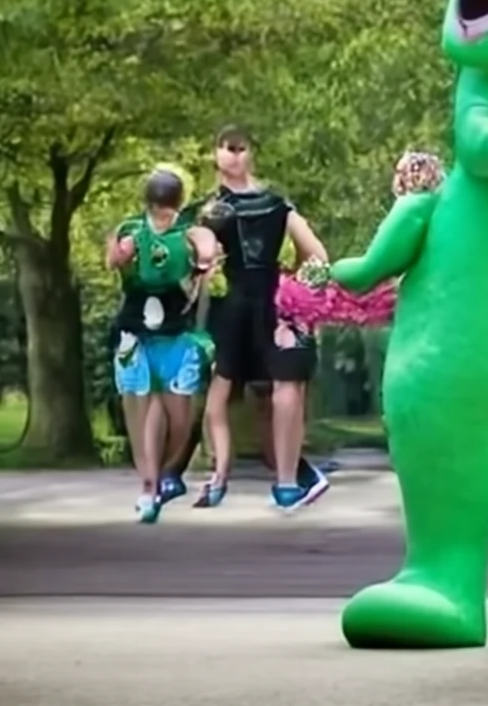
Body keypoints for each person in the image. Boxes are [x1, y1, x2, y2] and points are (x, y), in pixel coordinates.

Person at [195, 125, 331, 511]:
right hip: (275, 299)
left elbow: (200, 261)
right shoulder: (276, 203)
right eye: (229, 148)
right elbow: (318, 255)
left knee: (231, 394)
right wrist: (295, 281)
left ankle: (224, 476)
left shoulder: (211, 210)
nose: (234, 155)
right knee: (281, 386)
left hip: (237, 304)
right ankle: (287, 483)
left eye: (237, 148)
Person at [106, 167, 219, 522]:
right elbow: (114, 257)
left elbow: (206, 248)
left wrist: (202, 260)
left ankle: (166, 475)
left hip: (175, 333)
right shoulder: (132, 230)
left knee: (180, 419)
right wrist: (120, 255)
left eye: (166, 207)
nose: (162, 215)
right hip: (135, 333)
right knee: (141, 411)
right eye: (158, 207)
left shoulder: (191, 232)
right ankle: (149, 487)